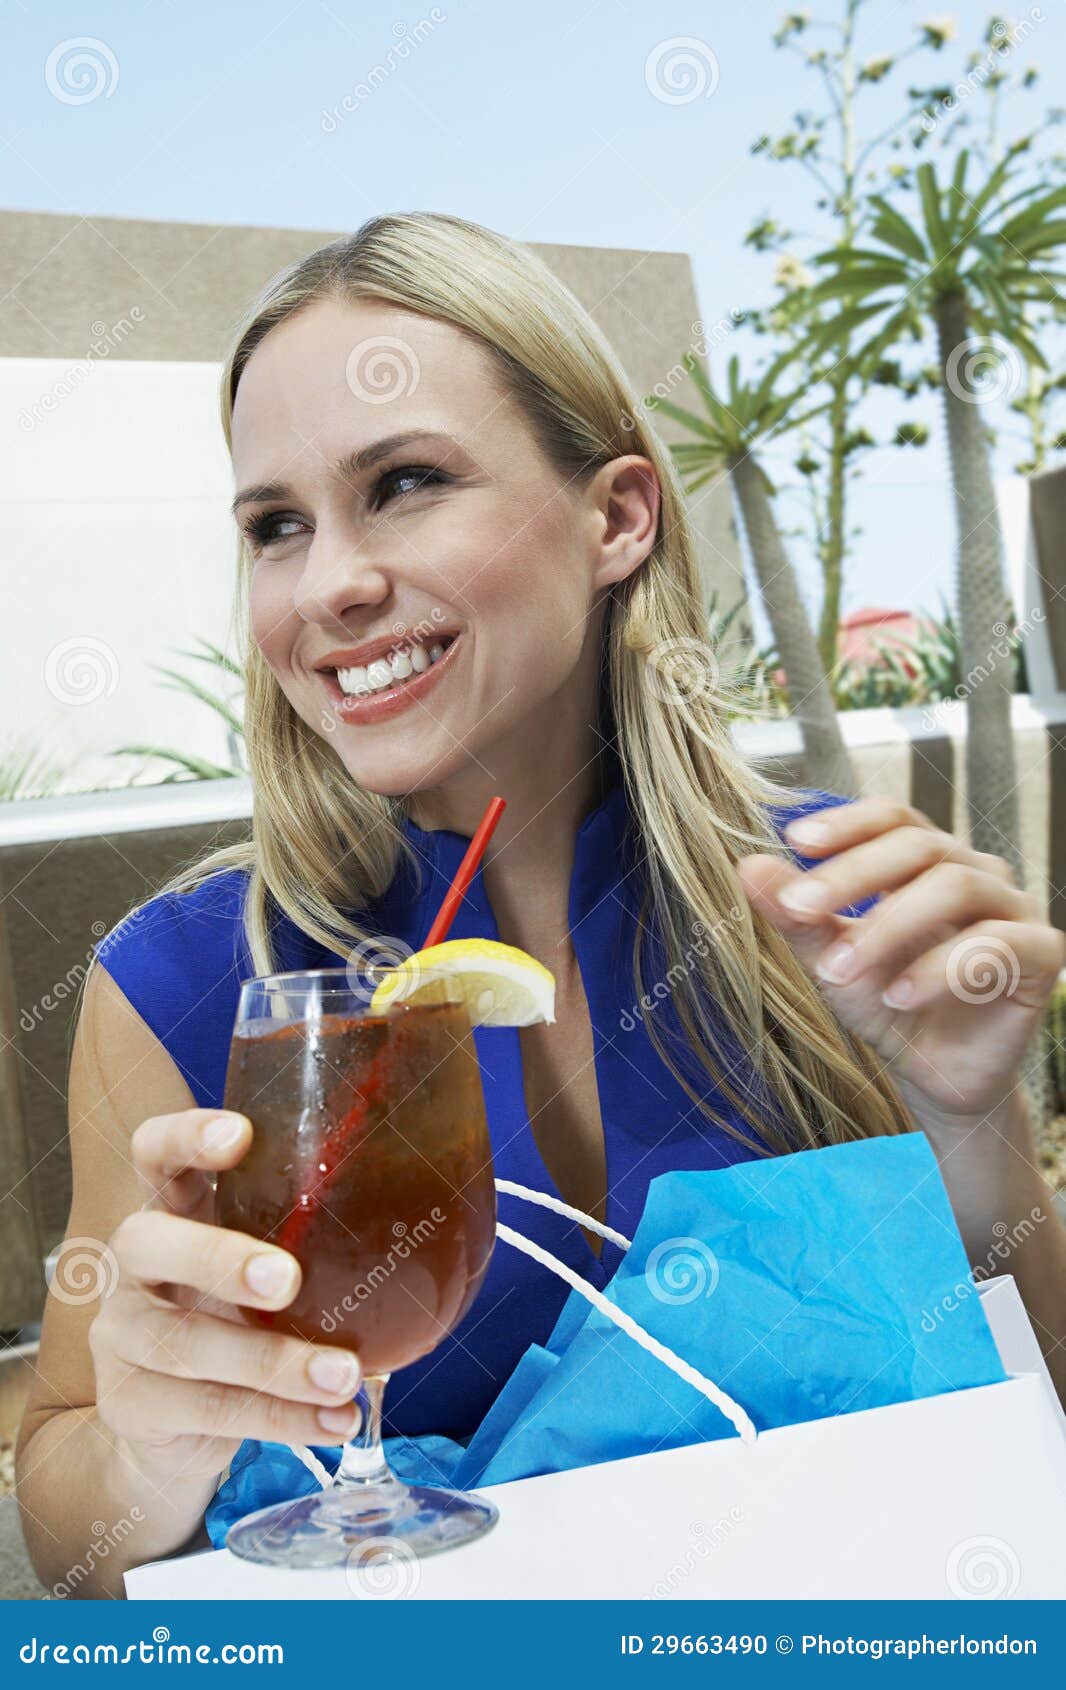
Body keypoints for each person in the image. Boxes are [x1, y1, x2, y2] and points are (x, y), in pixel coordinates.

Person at [17, 212, 1066, 1597]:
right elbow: (64, 1531)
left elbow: (1032, 1419)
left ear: (617, 515)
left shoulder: (837, 902)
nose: (329, 583)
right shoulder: (190, 979)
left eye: (403, 481)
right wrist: (152, 1451)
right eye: (276, 524)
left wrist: (972, 1135)